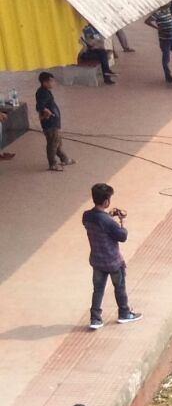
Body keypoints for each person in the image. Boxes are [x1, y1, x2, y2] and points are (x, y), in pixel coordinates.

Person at [83, 182, 142, 330]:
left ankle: (95, 319)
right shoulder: (108, 222)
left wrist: (109, 216)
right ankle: (124, 313)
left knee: (98, 289)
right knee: (119, 287)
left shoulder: (87, 216)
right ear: (106, 201)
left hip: (97, 261)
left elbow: (99, 222)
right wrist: (122, 221)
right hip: (113, 261)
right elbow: (122, 236)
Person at [35, 71, 74, 171]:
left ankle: (64, 158)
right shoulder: (42, 93)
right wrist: (46, 111)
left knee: (57, 142)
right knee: (52, 144)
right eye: (51, 81)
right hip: (50, 124)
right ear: (45, 82)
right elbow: (40, 106)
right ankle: (52, 163)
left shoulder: (45, 91)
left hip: (54, 123)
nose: (53, 83)